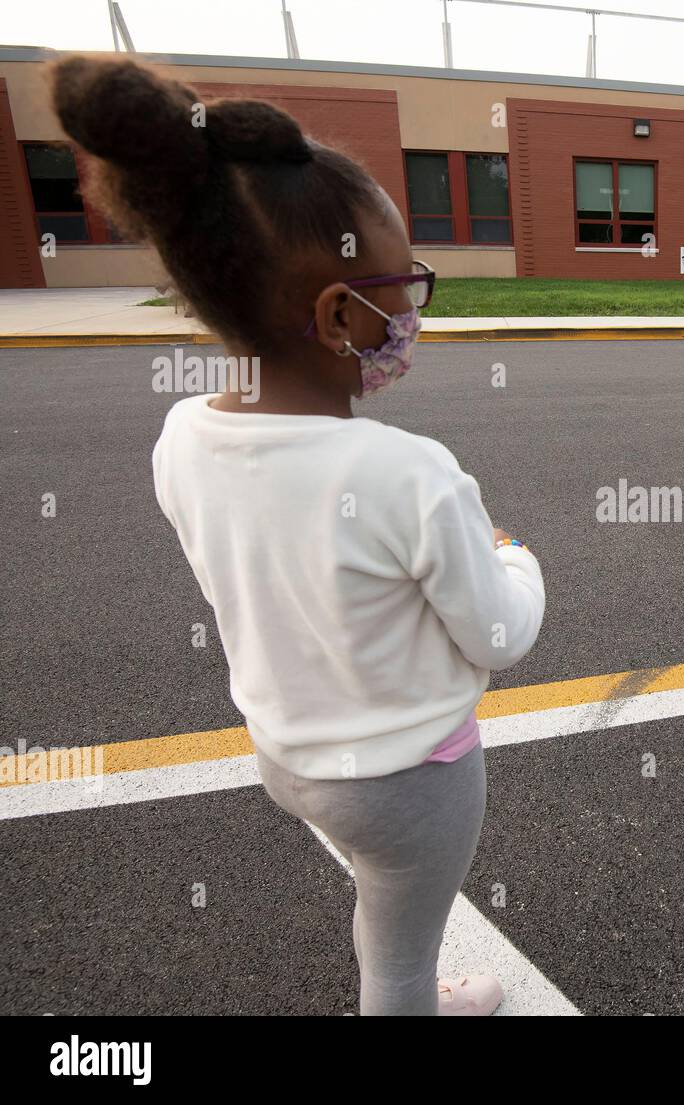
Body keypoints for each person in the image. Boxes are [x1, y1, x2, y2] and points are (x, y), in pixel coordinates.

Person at [51, 56, 545, 1015]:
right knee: (401, 953)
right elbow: (496, 634)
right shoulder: (409, 473)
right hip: (409, 783)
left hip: (287, 757)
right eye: (403, 285)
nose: (410, 310)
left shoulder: (182, 437)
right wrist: (514, 559)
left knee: (383, 909)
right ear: (336, 315)